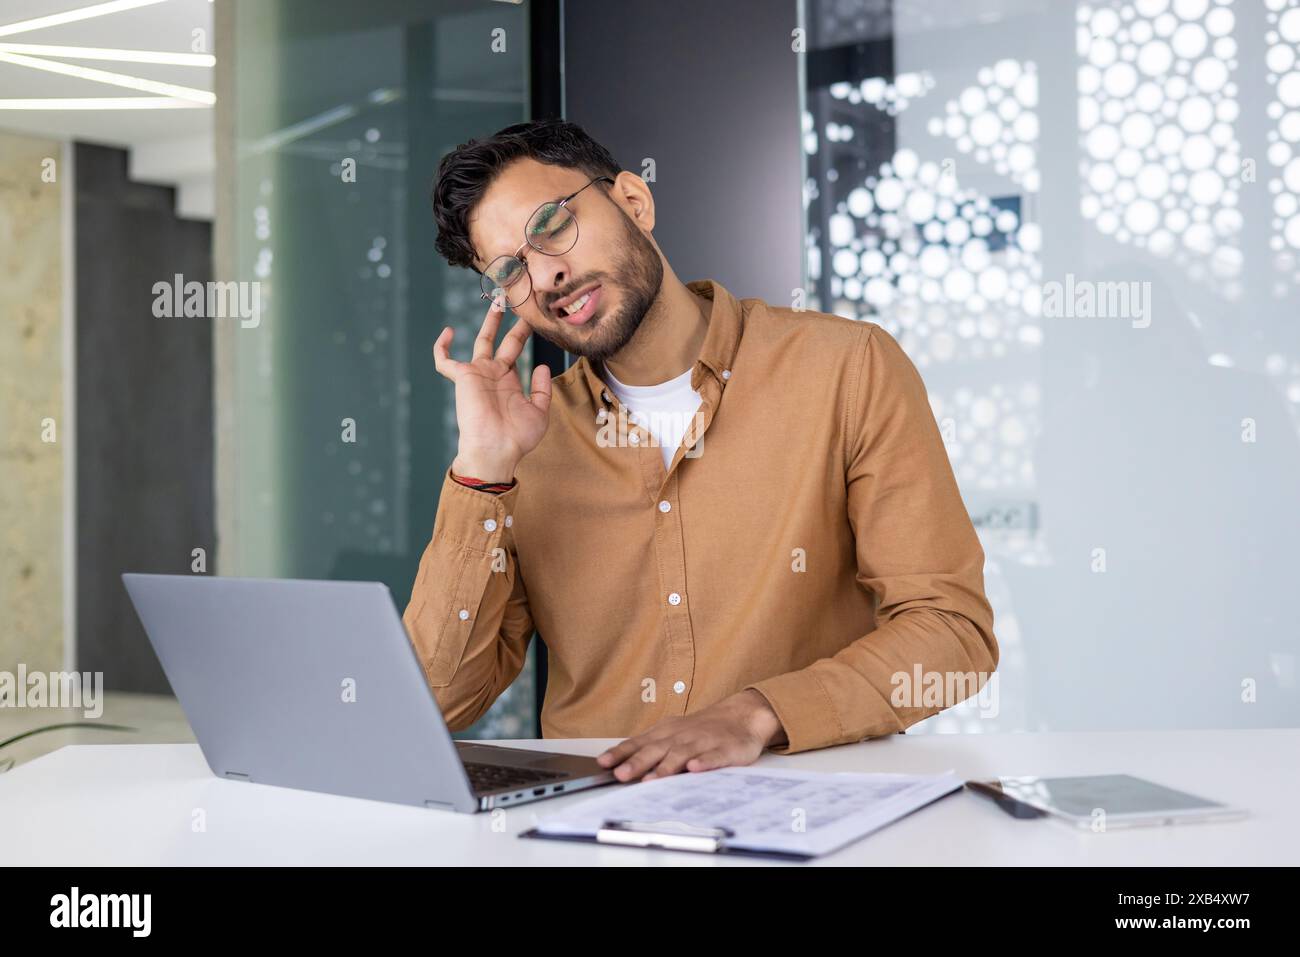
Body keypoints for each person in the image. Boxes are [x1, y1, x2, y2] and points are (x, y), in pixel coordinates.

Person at [406, 118, 997, 783]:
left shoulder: (846, 367)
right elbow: (437, 700)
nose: (546, 276)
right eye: (511, 269)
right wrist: (481, 472)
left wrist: (758, 713)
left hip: (808, 818)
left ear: (634, 201)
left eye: (551, 227)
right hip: (593, 828)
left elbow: (953, 635)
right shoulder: (525, 447)